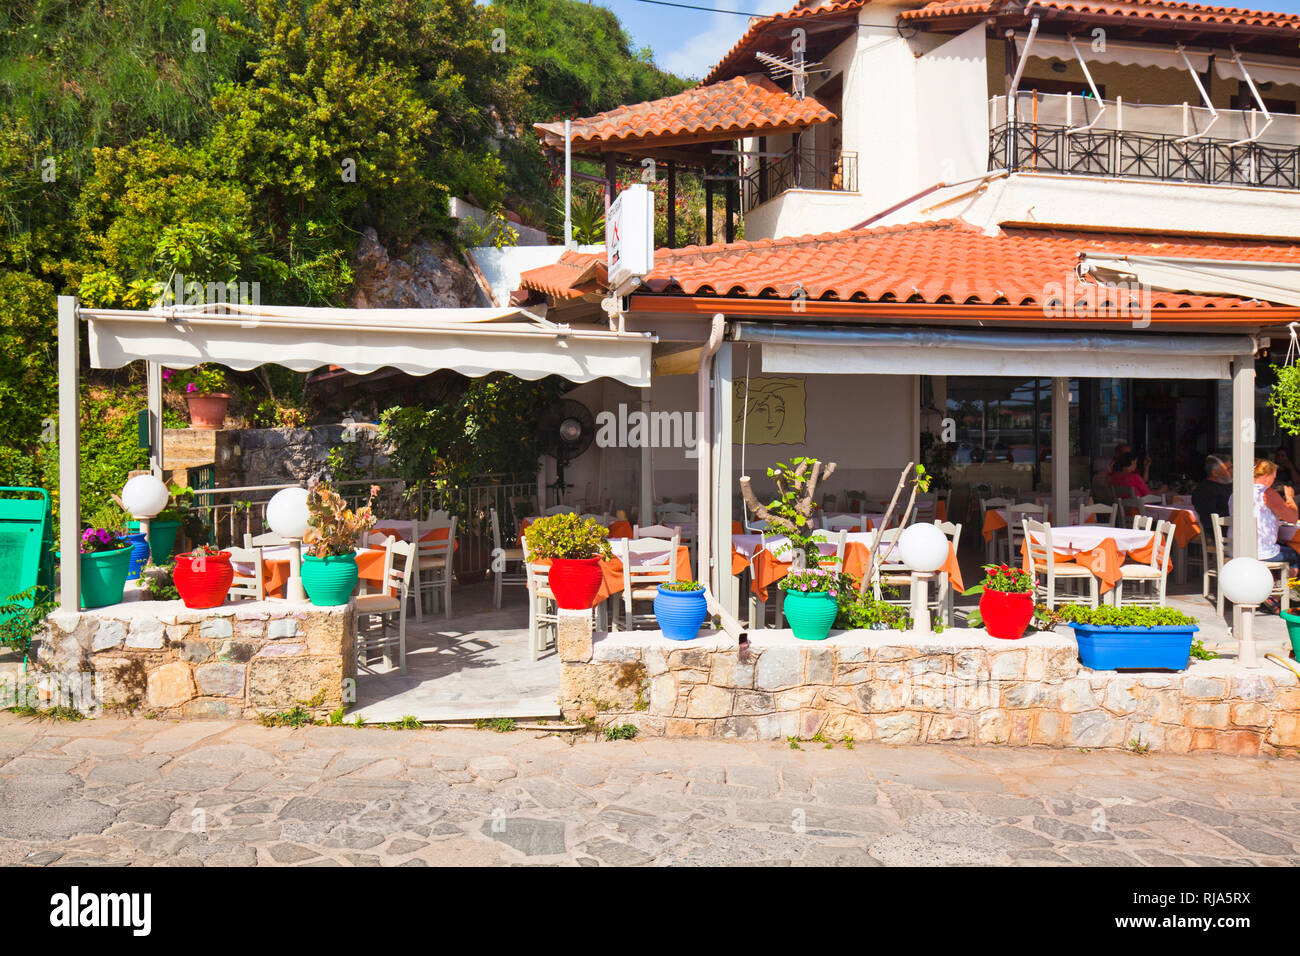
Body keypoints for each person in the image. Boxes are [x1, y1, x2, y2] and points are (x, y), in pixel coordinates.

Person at [1253, 458, 1300, 612]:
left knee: (1282, 547)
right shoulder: (1267, 493)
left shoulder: (1236, 493)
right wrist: (1290, 498)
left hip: (1239, 548)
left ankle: (1269, 588)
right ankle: (1276, 596)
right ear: (1267, 475)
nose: (1274, 480)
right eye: (1274, 476)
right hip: (1261, 551)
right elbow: (1292, 518)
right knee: (1296, 554)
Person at [1192, 454, 1233, 525]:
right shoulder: (1204, 491)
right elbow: (1209, 520)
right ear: (1215, 473)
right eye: (1228, 469)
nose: (1232, 471)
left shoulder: (1231, 486)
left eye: (1232, 467)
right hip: (1223, 532)